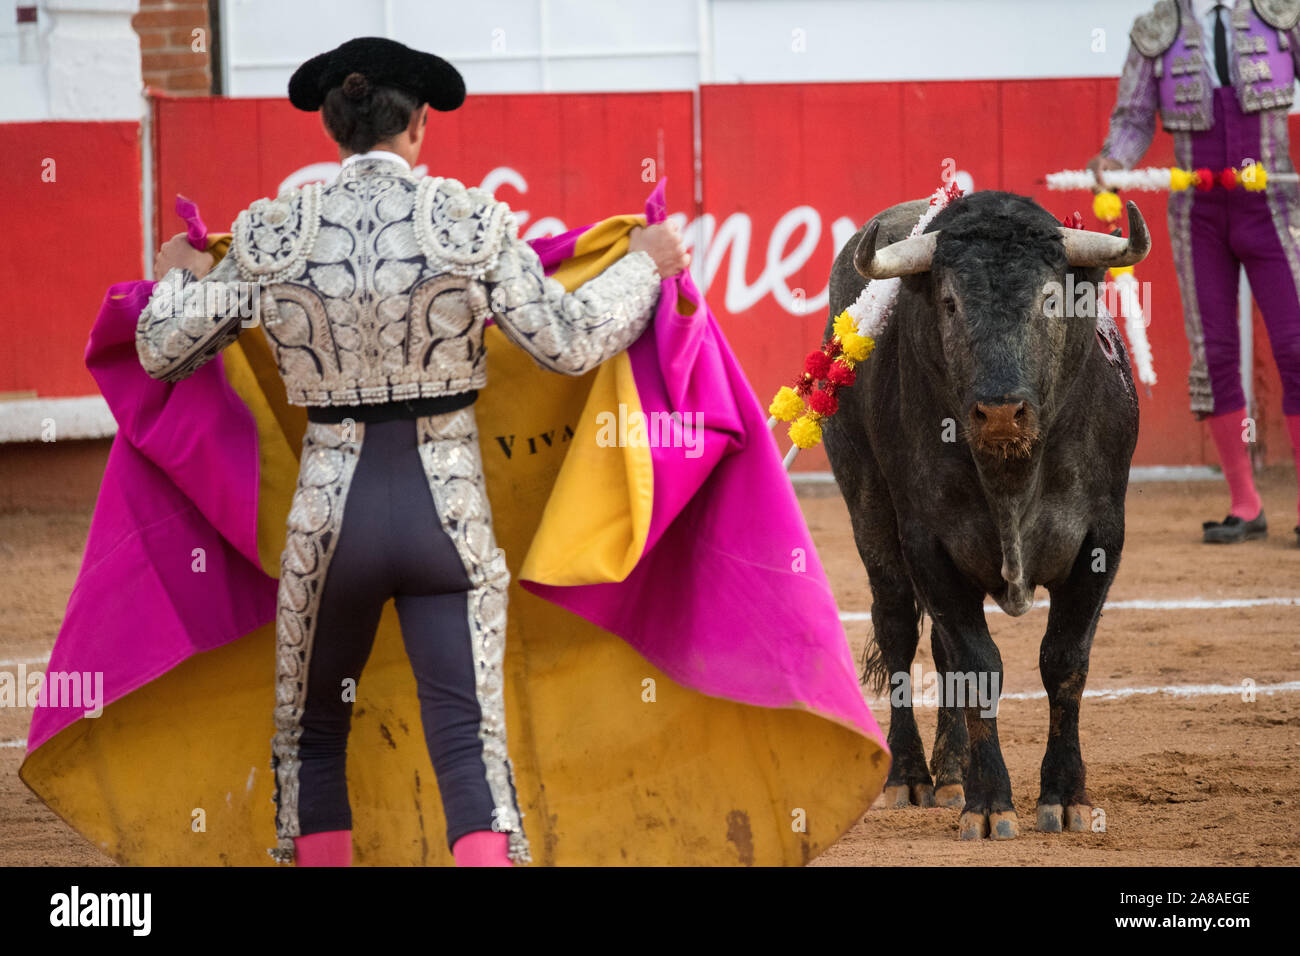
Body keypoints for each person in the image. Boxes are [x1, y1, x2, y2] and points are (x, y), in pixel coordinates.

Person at [135, 36, 690, 866]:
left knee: (312, 737)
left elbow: (160, 348)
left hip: (330, 519)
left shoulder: (273, 233)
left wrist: (174, 273)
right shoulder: (468, 221)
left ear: (331, 126)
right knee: (470, 745)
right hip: (449, 512)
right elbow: (572, 341)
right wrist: (644, 267)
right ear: (420, 124)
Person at [1088, 0, 1300, 545]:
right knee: (1216, 352)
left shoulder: (1284, 13)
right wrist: (1114, 160)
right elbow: (1133, 118)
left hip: (1275, 203)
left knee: (1297, 347)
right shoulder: (1156, 29)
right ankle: (1244, 503)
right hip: (1199, 213)